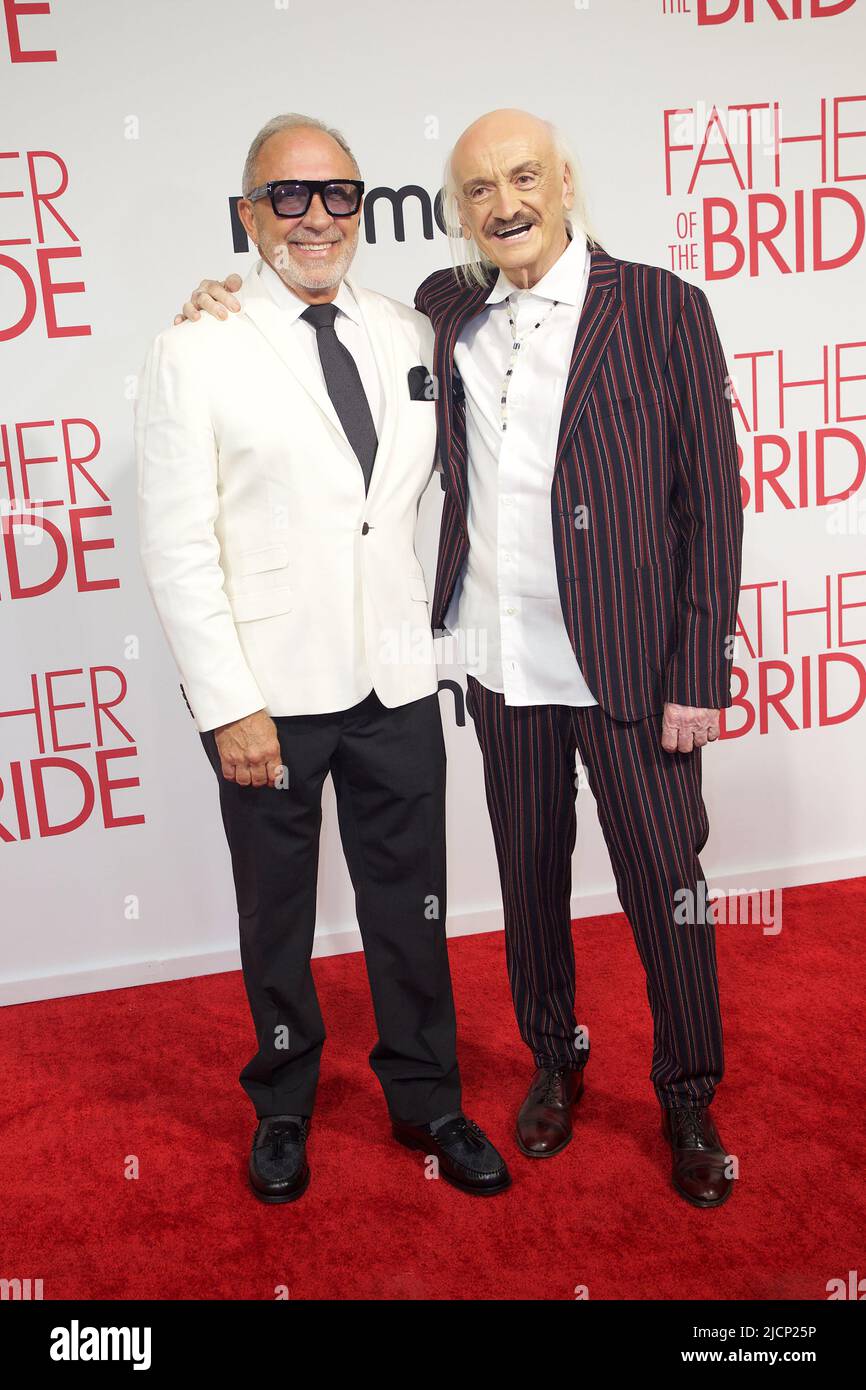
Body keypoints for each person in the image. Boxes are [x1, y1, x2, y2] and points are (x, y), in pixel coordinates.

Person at [178, 106, 744, 1209]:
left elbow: (710, 505)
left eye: (522, 177)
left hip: (631, 668)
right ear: (456, 212)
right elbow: (292, 321)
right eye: (478, 190)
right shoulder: (443, 310)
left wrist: (696, 675)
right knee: (527, 890)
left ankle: (685, 1093)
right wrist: (214, 298)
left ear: (565, 179)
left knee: (664, 890)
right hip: (497, 666)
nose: (504, 204)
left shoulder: (664, 309)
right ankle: (552, 1061)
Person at [135, 112, 510, 1205]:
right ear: (248, 215)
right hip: (266, 693)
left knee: (412, 901)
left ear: (362, 204)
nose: (314, 217)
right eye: (287, 197)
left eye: (336, 194)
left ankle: (426, 1096)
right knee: (277, 914)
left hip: (393, 678)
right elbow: (176, 544)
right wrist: (225, 704)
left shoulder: (406, 328)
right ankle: (284, 1100)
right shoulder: (192, 347)